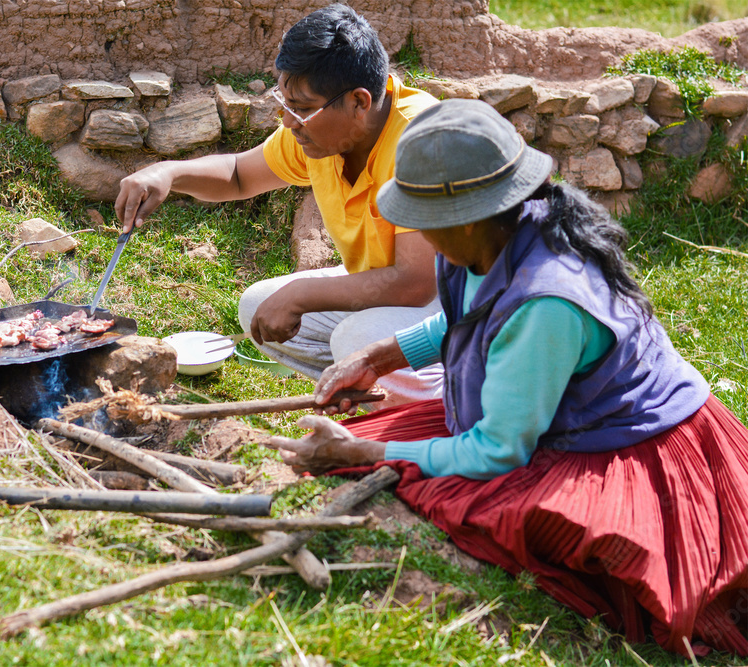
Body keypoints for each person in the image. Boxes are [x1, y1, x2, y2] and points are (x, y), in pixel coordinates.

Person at [267, 99, 748, 658]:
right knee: (406, 446)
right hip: (559, 411)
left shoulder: (546, 303)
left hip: (631, 442)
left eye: (424, 223)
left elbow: (498, 450)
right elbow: (467, 310)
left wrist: (370, 451)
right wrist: (380, 357)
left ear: (468, 216)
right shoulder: (496, 233)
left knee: (509, 512)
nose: (416, 234)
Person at [115, 4, 443, 405]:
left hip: (459, 305)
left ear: (359, 101)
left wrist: (302, 294)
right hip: (400, 293)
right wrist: (169, 173)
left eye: (302, 108)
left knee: (355, 339)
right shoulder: (320, 134)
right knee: (258, 306)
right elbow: (239, 175)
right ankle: (370, 389)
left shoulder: (421, 140)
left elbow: (416, 283)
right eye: (285, 103)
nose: (289, 122)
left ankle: (445, 401)